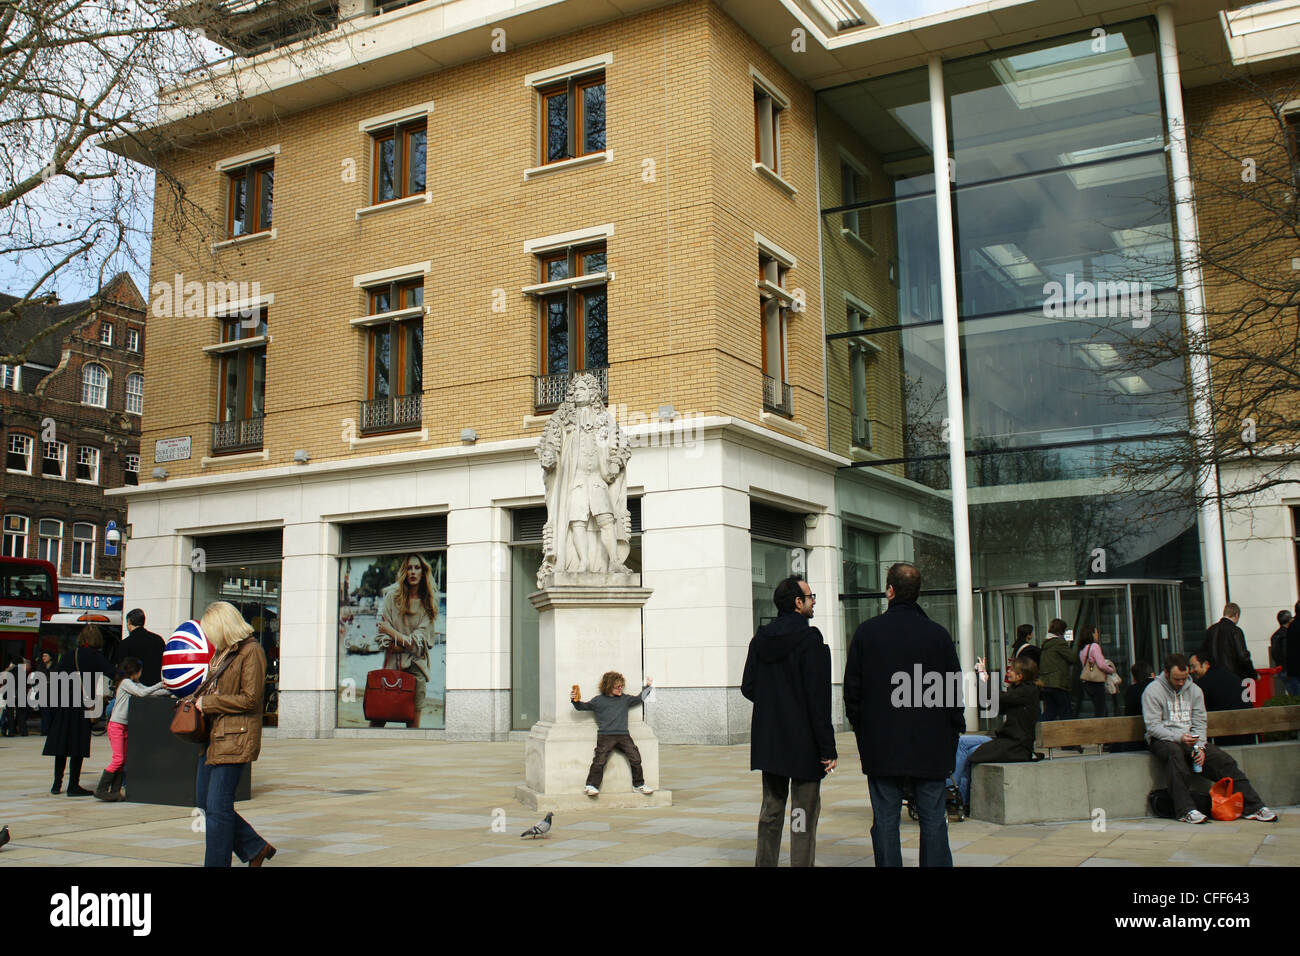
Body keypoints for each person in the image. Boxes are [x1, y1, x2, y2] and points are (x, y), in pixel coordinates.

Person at [844, 562, 961, 868]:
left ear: (890, 591)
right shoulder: (938, 636)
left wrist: (863, 732)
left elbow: (852, 693)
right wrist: (951, 734)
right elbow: (953, 693)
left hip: (882, 744)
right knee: (934, 817)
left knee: (885, 819)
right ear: (917, 593)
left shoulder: (867, 633)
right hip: (931, 745)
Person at [741, 576, 836, 867]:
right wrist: (828, 749)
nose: (814, 601)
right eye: (810, 596)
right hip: (804, 741)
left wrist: (774, 703)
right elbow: (817, 700)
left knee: (771, 809)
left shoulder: (760, 640)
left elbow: (748, 687)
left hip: (771, 738)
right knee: (802, 813)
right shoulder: (811, 641)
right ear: (798, 603)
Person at [1141, 653, 1276, 824]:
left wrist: (1201, 747)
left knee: (1223, 761)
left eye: (1184, 678)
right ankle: (1185, 810)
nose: (1181, 683)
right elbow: (1153, 726)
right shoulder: (1153, 691)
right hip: (1162, 739)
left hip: (1191, 739)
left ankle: (1254, 806)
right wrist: (1179, 737)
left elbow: (1200, 722)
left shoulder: (1195, 690)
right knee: (1175, 755)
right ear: (1166, 673)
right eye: (1177, 679)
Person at [193, 601, 275, 867]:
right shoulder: (223, 653)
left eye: (211, 630)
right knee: (206, 803)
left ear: (223, 626)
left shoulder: (251, 652)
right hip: (214, 736)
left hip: (236, 738)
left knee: (218, 806)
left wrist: (210, 703)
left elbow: (251, 700)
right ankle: (254, 847)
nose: (209, 637)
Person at [950, 655, 1040, 810]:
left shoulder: (1026, 692)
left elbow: (995, 699)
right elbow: (992, 702)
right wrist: (983, 678)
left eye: (1012, 670)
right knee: (965, 746)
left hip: (1015, 746)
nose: (1009, 672)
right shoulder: (1021, 691)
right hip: (1007, 742)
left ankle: (950, 790)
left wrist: (983, 677)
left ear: (1021, 676)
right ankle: (959, 798)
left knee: (965, 747)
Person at [42, 625, 113, 796]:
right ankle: (73, 785)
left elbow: (56, 676)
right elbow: (112, 672)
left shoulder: (69, 655)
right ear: (97, 640)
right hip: (83, 706)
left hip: (65, 705)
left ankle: (56, 784)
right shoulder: (95, 656)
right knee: (77, 746)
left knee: (62, 746)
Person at [370, 553, 436, 728]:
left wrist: (391, 631)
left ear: (423, 572)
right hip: (391, 669)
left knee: (413, 730)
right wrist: (405, 643)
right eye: (409, 568)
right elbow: (381, 638)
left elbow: (418, 645)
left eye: (417, 568)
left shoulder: (428, 605)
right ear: (404, 572)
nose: (413, 572)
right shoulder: (391, 598)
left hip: (416, 671)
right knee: (376, 724)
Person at [95, 657, 169, 801]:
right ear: (135, 671)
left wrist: (169, 692)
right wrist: (160, 685)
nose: (141, 674)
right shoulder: (126, 683)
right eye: (140, 671)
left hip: (124, 725)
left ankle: (115, 791)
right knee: (119, 759)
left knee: (122, 760)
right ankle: (101, 789)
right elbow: (143, 693)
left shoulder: (133, 683)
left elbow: (149, 692)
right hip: (117, 725)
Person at [570, 671, 654, 796]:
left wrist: (648, 687)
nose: (621, 689)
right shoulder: (598, 701)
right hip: (605, 736)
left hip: (623, 735)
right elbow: (582, 707)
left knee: (635, 758)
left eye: (622, 686)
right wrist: (575, 700)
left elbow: (639, 698)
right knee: (599, 760)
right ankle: (591, 786)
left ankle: (638, 785)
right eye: (618, 686)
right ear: (608, 686)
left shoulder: (625, 699)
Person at [1188, 651, 1253, 746]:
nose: (1191, 671)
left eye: (1194, 666)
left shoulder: (1203, 685)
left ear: (1206, 664)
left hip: (1224, 738)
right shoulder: (1229, 675)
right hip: (1247, 735)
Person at [1199, 602, 1257, 684]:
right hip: (1233, 676)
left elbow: (1203, 652)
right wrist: (1253, 674)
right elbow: (1242, 656)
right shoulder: (1236, 631)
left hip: (1214, 677)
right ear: (1236, 615)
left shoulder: (1211, 630)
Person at [1112, 661, 1156, 753]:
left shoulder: (1132, 691)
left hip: (1139, 736)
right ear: (1152, 674)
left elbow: (1129, 713)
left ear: (1134, 678)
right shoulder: (1158, 686)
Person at [114, 609, 165, 686]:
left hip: (134, 690)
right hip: (155, 687)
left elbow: (122, 670)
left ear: (129, 622)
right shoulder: (158, 640)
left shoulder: (125, 643)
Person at [1038, 619, 1075, 722]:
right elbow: (1072, 658)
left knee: (1051, 710)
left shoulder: (1046, 644)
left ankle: (1039, 732)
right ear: (1061, 631)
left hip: (1046, 683)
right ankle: (1067, 734)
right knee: (1066, 711)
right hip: (1058, 683)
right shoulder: (1059, 643)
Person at [1077, 626, 1116, 718]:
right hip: (1096, 682)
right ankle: (1101, 729)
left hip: (1087, 682)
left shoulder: (1082, 650)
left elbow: (1086, 665)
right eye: (1096, 632)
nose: (1097, 634)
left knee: (1099, 707)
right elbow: (1101, 664)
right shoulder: (1094, 647)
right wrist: (1111, 670)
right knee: (1101, 709)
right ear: (1092, 634)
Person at [1271, 610, 1298, 696]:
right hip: (1292, 669)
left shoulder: (1275, 635)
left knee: (1293, 695)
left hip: (1282, 670)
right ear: (1290, 620)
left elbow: (1274, 654)